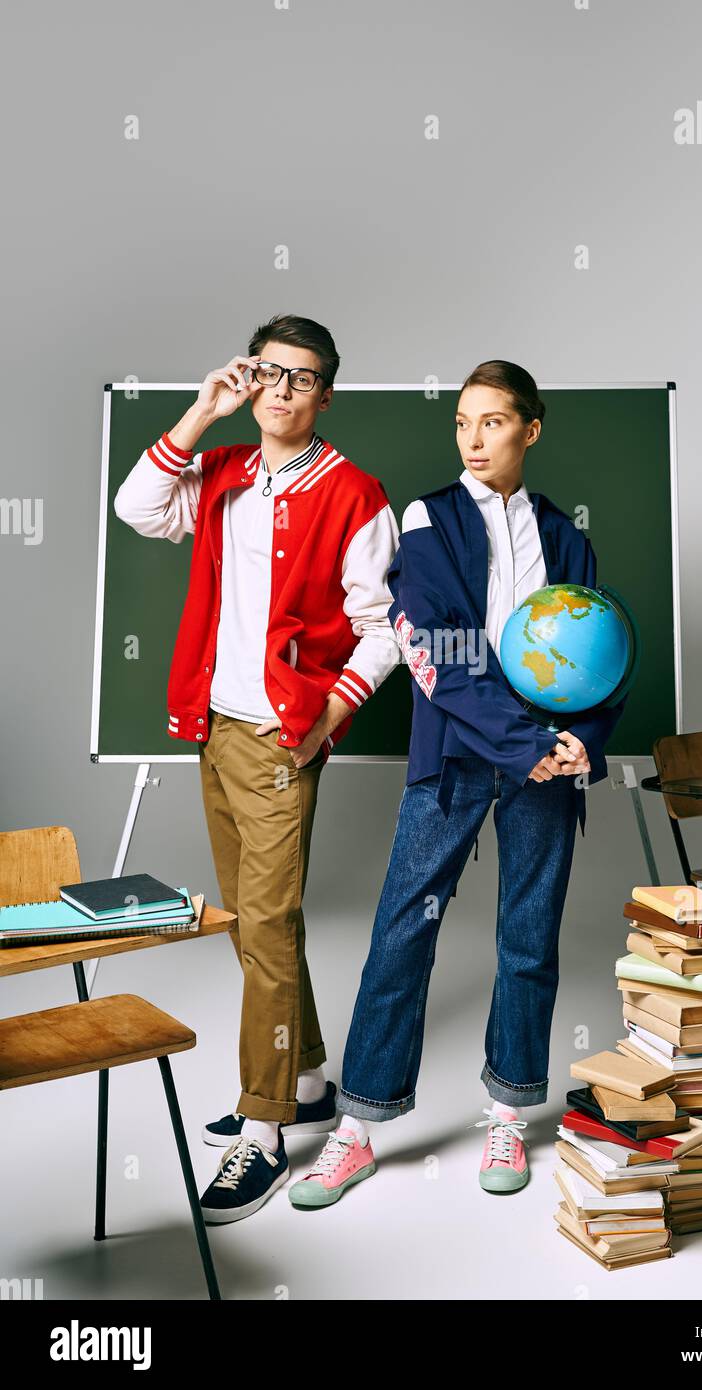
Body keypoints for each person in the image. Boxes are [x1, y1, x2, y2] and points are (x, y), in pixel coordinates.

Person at [289, 360, 629, 1208]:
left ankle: (509, 1112)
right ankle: (358, 1128)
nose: (474, 439)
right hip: (460, 753)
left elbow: (599, 656)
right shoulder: (428, 517)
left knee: (528, 936)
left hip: (547, 759)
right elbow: (435, 650)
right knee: (403, 929)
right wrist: (526, 745)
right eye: (463, 424)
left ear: (531, 429)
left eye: (493, 422)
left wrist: (582, 742)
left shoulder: (566, 533)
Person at [114, 313, 400, 1223]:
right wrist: (200, 413)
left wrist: (332, 714)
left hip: (285, 739)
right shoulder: (225, 468)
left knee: (269, 924)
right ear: (249, 378)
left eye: (302, 378)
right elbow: (137, 510)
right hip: (214, 726)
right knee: (253, 921)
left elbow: (384, 625)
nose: (281, 390)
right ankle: (307, 1076)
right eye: (267, 374)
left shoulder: (356, 492)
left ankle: (265, 1129)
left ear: (326, 394)